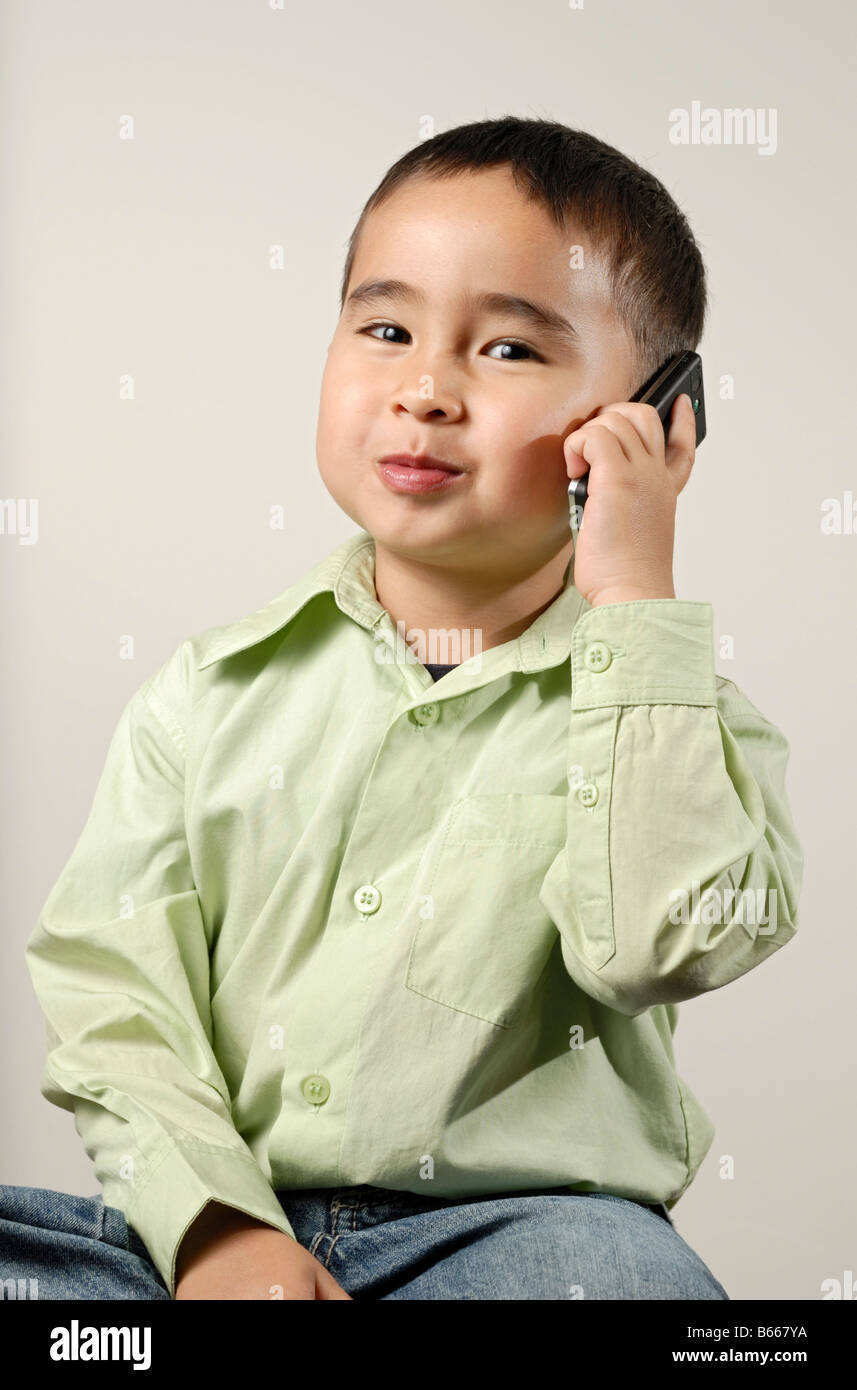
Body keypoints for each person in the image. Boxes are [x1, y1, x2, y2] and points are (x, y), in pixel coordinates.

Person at [6, 117, 802, 1301]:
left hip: (516, 1244)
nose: (424, 391)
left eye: (509, 352)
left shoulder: (686, 716)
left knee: (638, 1294)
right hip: (213, 1223)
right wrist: (218, 1234)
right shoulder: (209, 691)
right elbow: (118, 996)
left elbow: (653, 942)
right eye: (384, 330)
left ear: (657, 420)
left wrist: (634, 598)